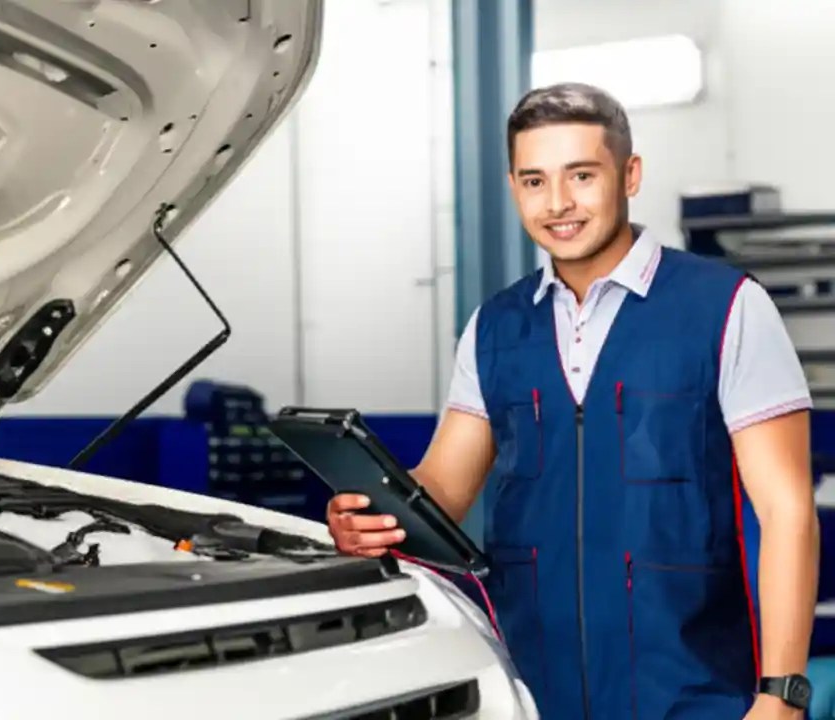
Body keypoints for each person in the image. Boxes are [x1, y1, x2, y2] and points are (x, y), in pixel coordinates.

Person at [326, 82, 819, 719]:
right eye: (534, 181)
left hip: (694, 693)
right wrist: (367, 515)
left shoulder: (725, 307)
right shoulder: (495, 327)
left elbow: (787, 512)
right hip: (531, 691)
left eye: (581, 175)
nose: (558, 203)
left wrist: (782, 694)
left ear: (630, 174)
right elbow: (442, 488)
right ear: (513, 187)